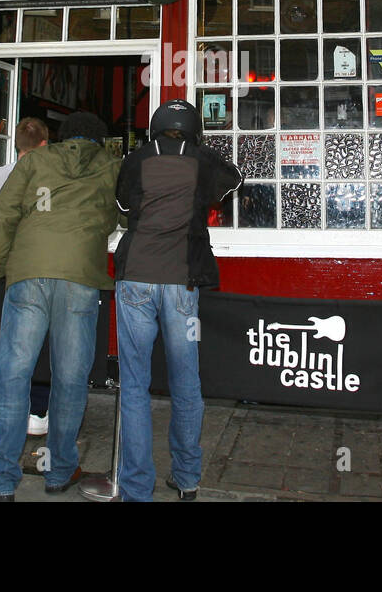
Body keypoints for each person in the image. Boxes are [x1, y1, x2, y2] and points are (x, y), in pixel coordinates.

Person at [0, 111, 120, 501]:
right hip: (79, 275)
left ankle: (0, 484)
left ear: (63, 137)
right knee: (71, 379)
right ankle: (60, 471)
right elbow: (120, 215)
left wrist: (7, 262)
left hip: (28, 271)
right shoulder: (111, 166)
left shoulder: (36, 160)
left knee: (13, 374)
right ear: (99, 139)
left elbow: (4, 212)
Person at [113, 99, 242, 502]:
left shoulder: (136, 159)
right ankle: (186, 479)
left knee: (134, 386)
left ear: (155, 127)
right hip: (182, 284)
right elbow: (235, 180)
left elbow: (122, 206)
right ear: (193, 129)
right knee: (186, 384)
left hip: (135, 280)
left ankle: (136, 488)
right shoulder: (202, 161)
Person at [0, 116, 50, 437]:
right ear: (44, 143)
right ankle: (37, 409)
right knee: (39, 343)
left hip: (10, 269)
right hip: (42, 266)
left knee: (11, 345)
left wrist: (1, 261)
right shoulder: (54, 176)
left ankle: (8, 408)